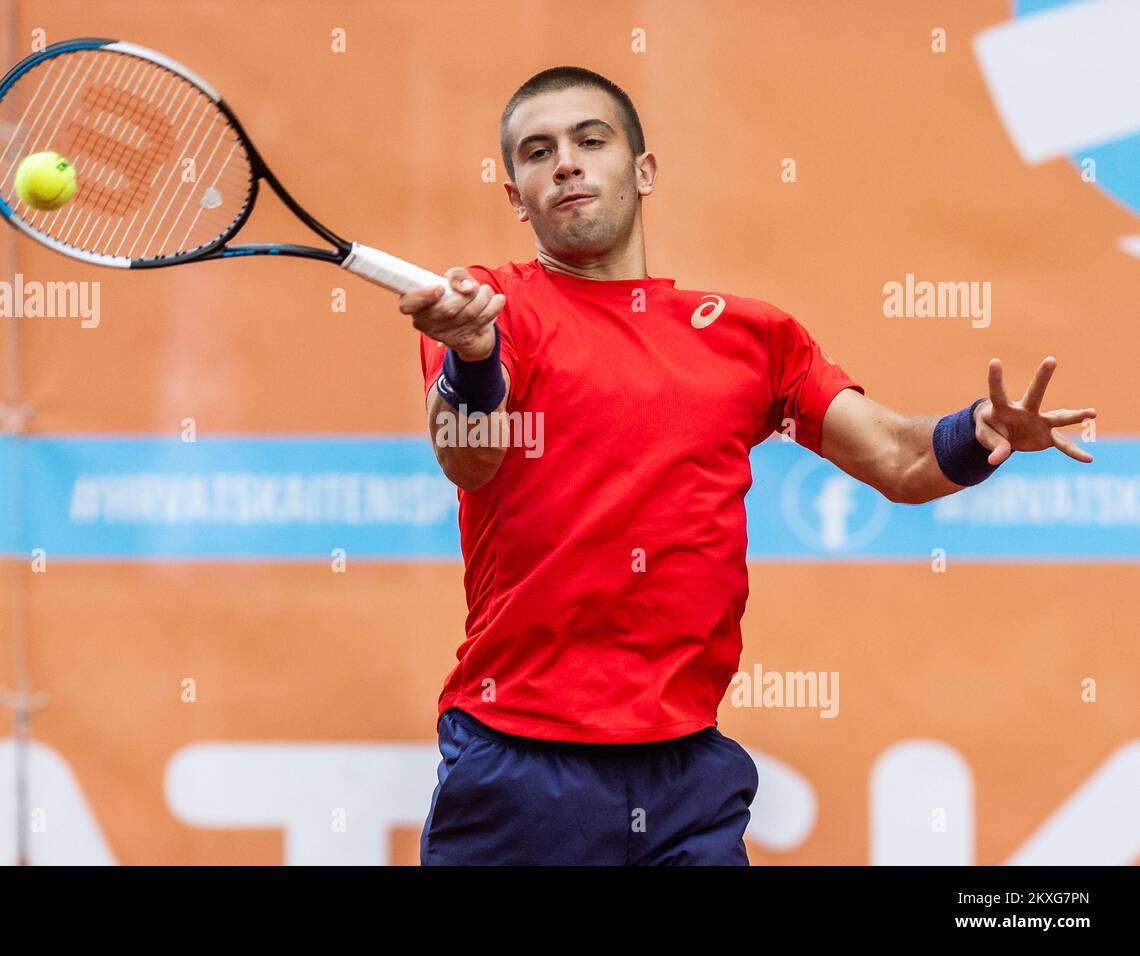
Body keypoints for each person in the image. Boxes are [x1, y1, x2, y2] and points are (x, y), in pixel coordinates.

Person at [398, 66, 1097, 865]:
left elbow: (902, 462)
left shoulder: (750, 337)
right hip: (519, 763)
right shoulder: (486, 309)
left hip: (689, 773)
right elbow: (470, 459)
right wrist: (475, 361)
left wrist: (978, 432)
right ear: (515, 196)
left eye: (591, 141)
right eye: (537, 151)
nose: (566, 162)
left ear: (644, 169)